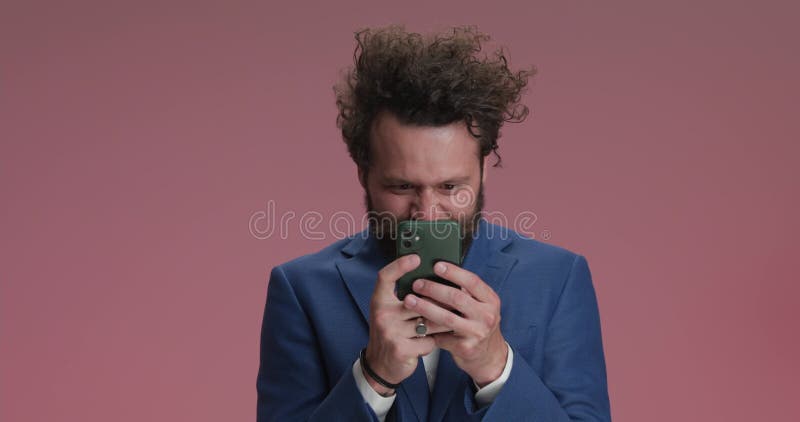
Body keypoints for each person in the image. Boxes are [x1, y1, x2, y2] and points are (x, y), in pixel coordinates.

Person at [256, 25, 611, 421]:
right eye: (402, 185)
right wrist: (373, 377)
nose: (427, 213)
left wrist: (496, 368)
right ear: (364, 175)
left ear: (483, 172)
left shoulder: (558, 278)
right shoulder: (301, 289)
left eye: (450, 186)